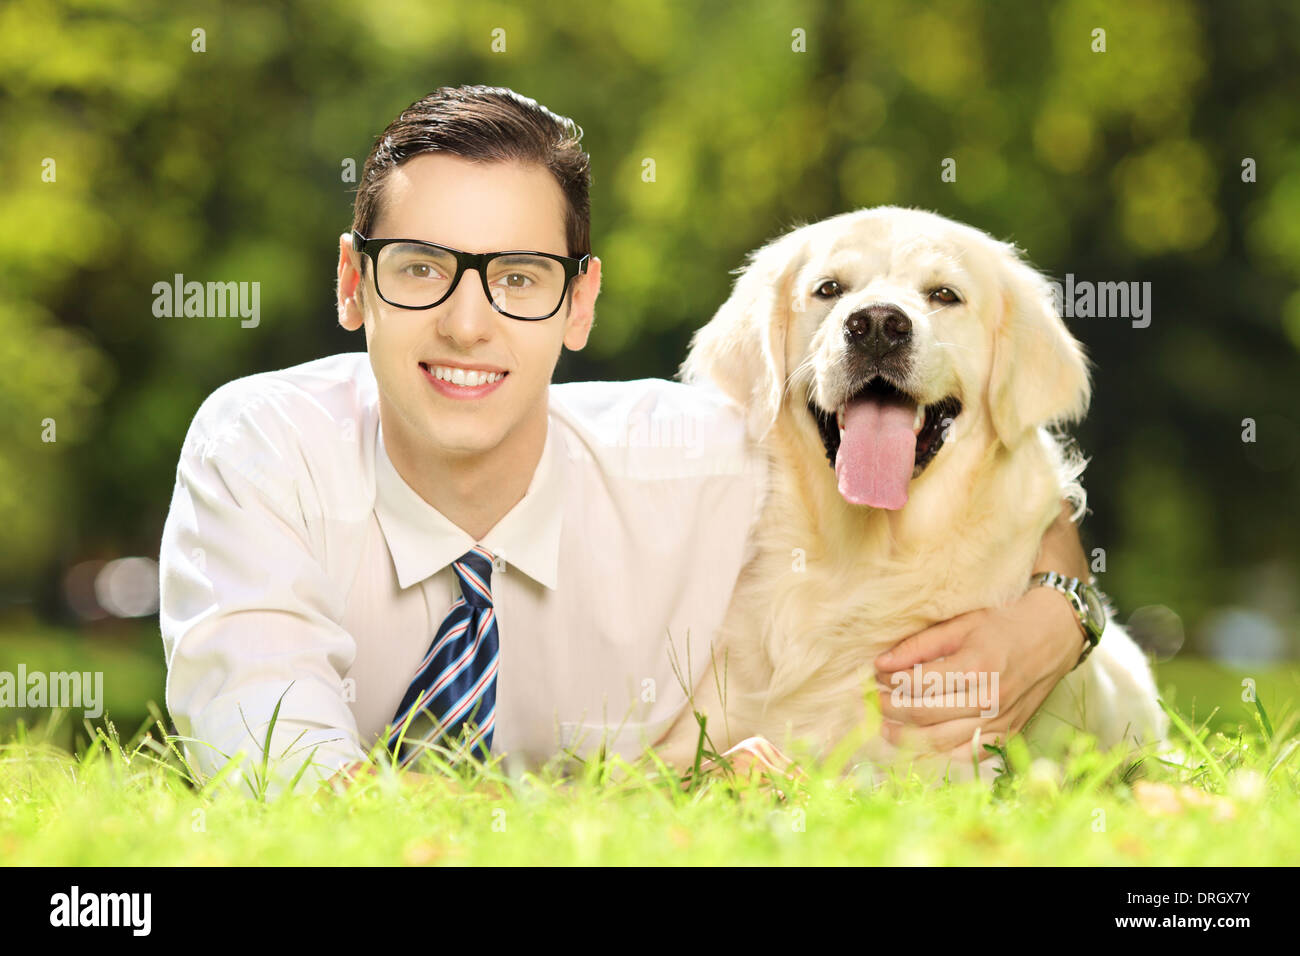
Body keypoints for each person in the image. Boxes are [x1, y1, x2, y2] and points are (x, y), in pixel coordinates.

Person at [158, 85, 1094, 796]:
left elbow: (997, 470)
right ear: (353, 284)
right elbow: (279, 778)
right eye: (420, 270)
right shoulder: (262, 455)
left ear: (580, 303)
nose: (467, 324)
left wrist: (1057, 610)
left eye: (519, 278)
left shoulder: (705, 459)